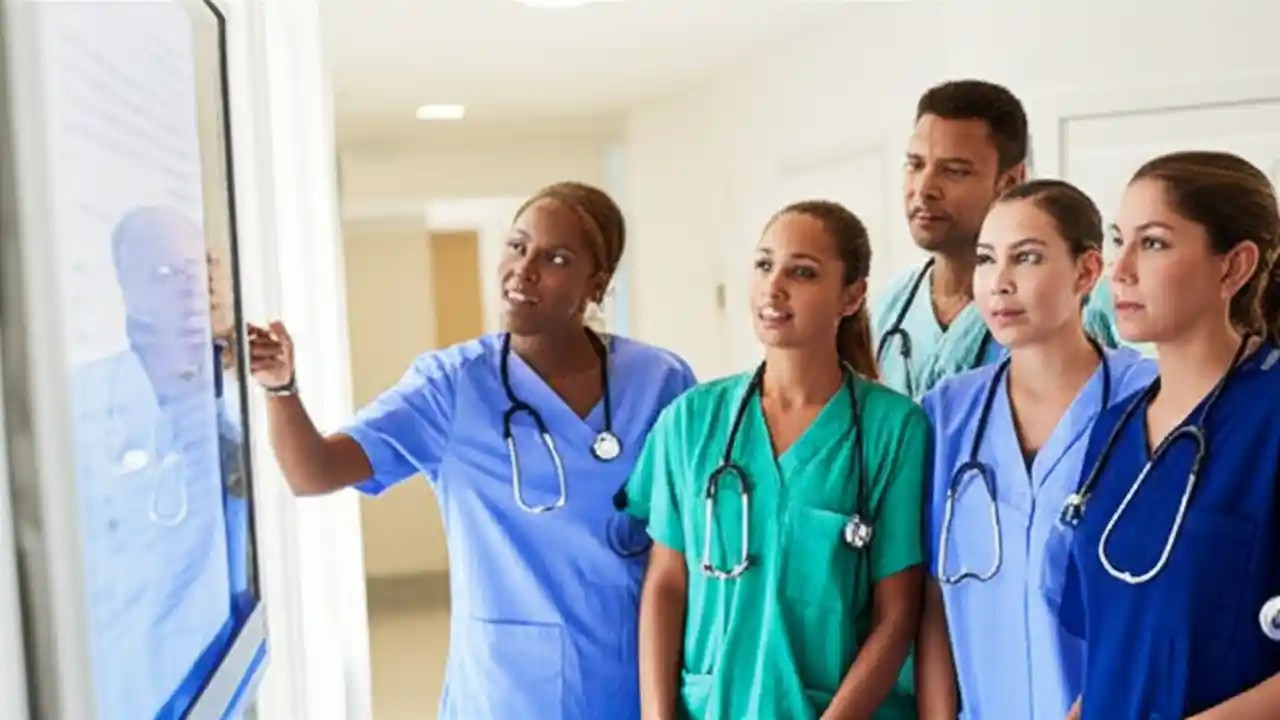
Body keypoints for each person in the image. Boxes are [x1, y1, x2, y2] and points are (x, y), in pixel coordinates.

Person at [248, 181, 695, 720]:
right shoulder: (450, 385)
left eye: (555, 258)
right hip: (506, 691)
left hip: (634, 678)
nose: (523, 269)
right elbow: (312, 471)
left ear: (595, 285)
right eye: (516, 246)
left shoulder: (659, 381)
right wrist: (280, 386)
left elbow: (687, 541)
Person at [630, 200, 926, 719]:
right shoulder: (691, 422)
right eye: (765, 265)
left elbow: (897, 614)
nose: (774, 286)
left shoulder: (893, 429)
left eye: (803, 272)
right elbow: (666, 582)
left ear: (852, 295)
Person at [914, 180, 1156, 720]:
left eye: (1026, 258)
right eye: (985, 259)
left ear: (1087, 272)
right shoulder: (946, 414)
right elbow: (931, 600)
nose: (999, 283)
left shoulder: (1151, 400)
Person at [1059, 151, 1280, 718]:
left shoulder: (1271, 415)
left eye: (1153, 243)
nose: (1120, 269)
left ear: (1233, 267)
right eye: (1118, 240)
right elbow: (1120, 640)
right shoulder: (1114, 427)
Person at [874, 79, 1116, 400]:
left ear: (1010, 181)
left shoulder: (1085, 297)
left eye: (955, 171)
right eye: (915, 165)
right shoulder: (888, 308)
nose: (924, 189)